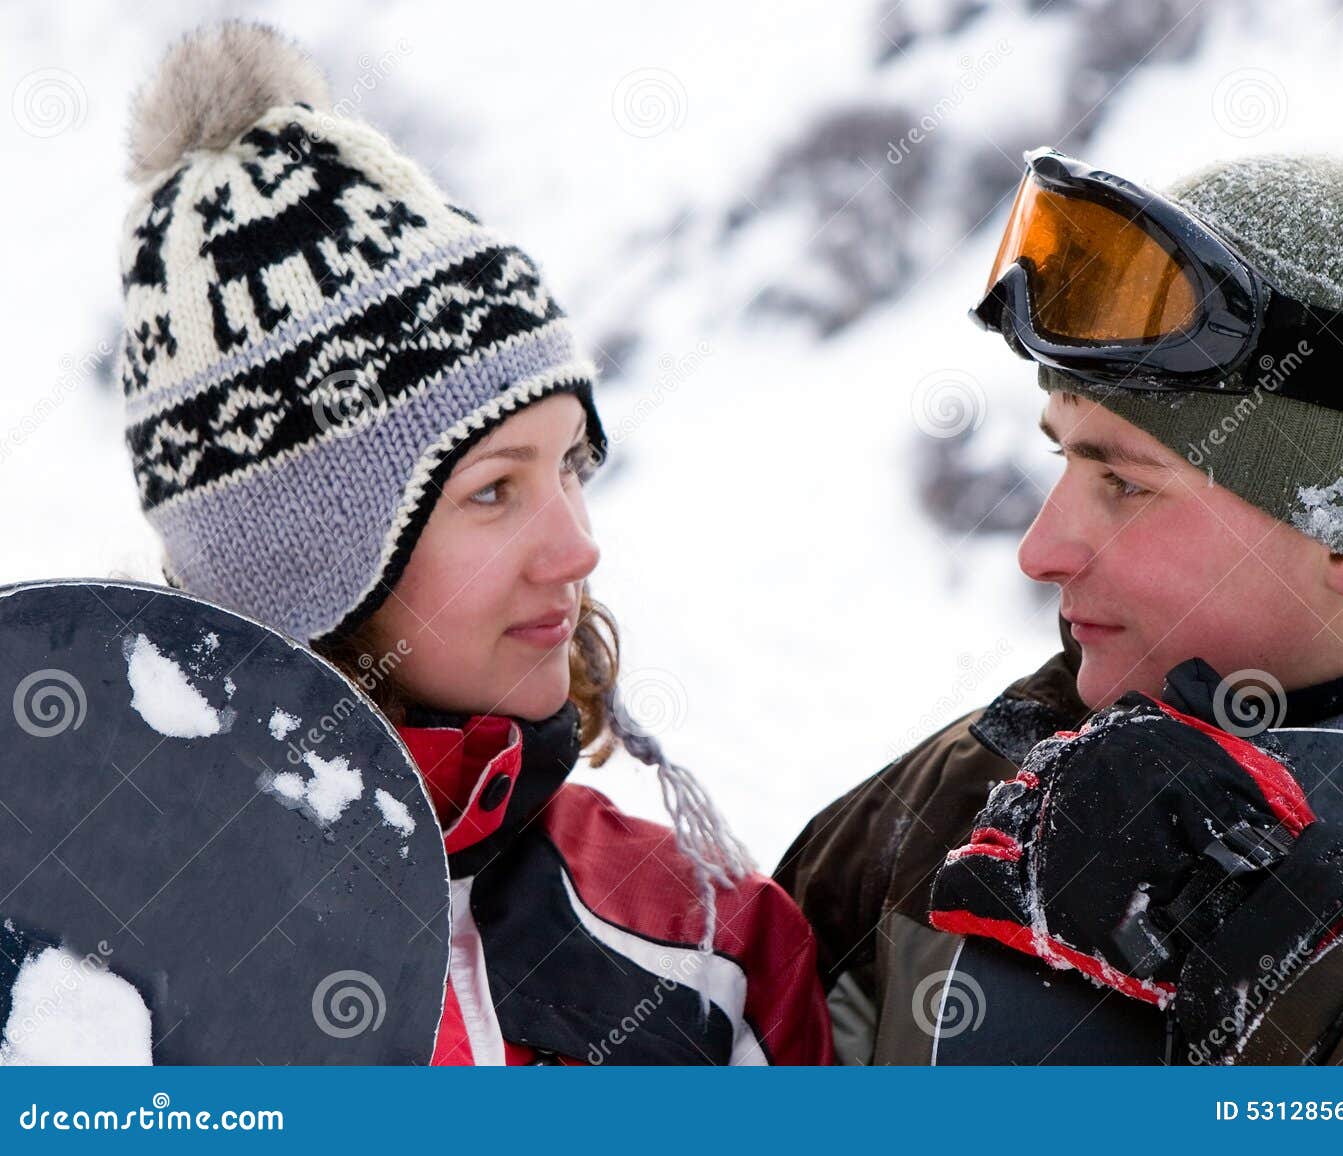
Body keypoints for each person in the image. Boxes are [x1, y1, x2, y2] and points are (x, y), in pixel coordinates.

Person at [777, 148, 1343, 1064]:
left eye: (1124, 483)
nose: (1038, 551)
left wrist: (1341, 985)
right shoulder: (975, 793)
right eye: (1064, 458)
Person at [116, 21, 832, 1066]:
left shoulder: (707, 939)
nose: (576, 548)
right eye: (494, 490)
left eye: (572, 466)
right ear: (300, 569)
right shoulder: (95, 976)